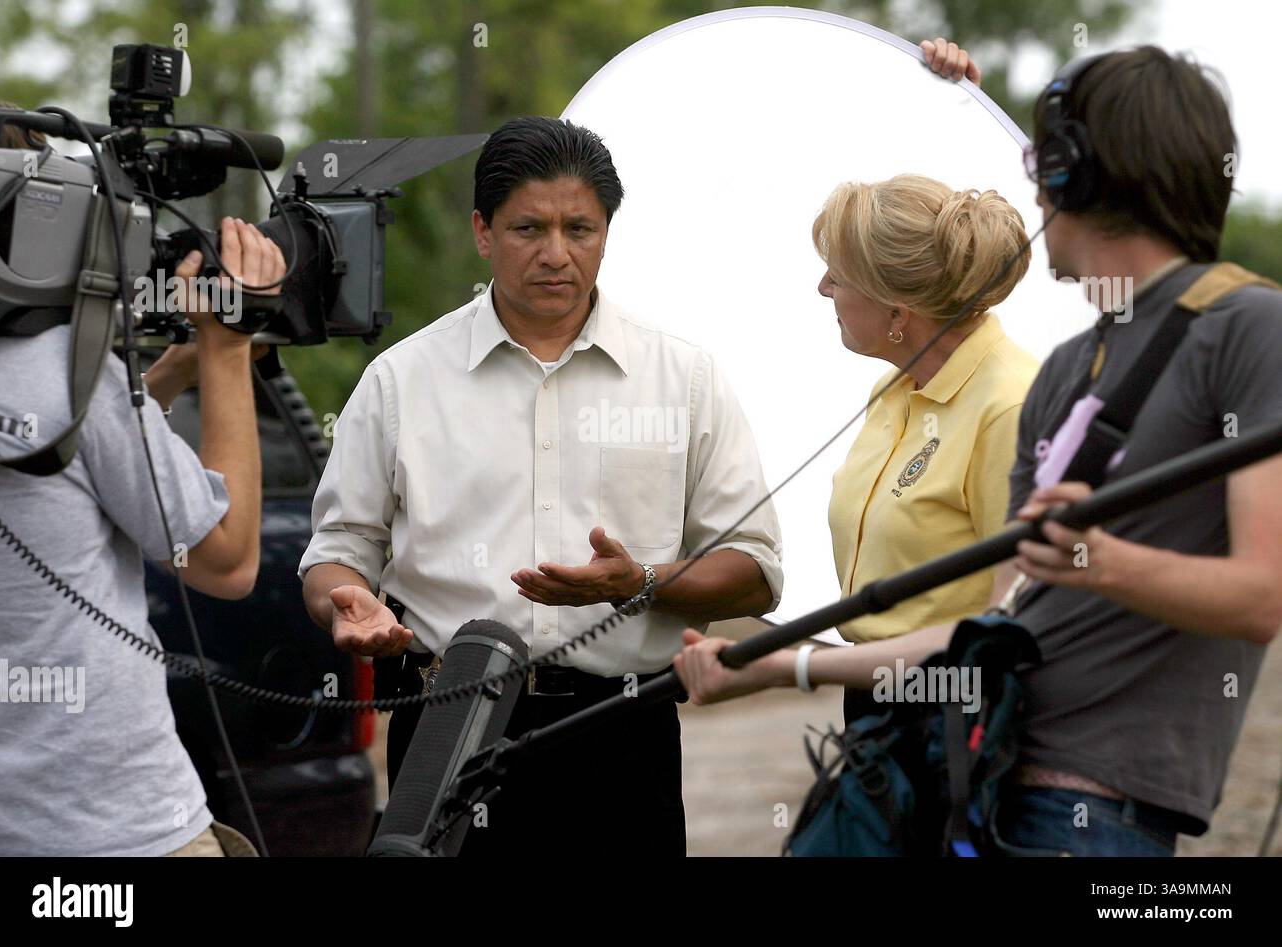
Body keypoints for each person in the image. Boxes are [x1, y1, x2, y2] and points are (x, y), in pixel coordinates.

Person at [676, 45, 1282, 857]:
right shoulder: (1071, 368)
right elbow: (989, 631)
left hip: (1090, 814)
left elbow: (1264, 593)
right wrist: (782, 666)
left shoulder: (1248, 327)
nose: (1029, 189)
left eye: (1041, 161)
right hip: (972, 788)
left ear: (1070, 175)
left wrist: (1099, 559)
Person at [298, 116, 782, 856]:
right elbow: (338, 548)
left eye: (579, 228)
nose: (557, 254)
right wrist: (347, 600)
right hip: (447, 731)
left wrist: (641, 581)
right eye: (529, 228)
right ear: (482, 232)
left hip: (623, 734)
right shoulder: (403, 380)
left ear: (608, 231)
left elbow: (754, 572)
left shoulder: (684, 377)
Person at [0, 186, 286, 856]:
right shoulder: (68, 375)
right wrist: (226, 347)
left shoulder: (69, 385)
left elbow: (71, 474)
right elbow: (226, 560)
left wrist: (163, 377)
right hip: (112, 833)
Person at [815, 174, 1037, 645]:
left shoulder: (1010, 407)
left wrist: (793, 668)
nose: (823, 288)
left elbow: (1026, 611)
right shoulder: (894, 389)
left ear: (898, 313)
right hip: (876, 689)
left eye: (838, 276)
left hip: (961, 698)